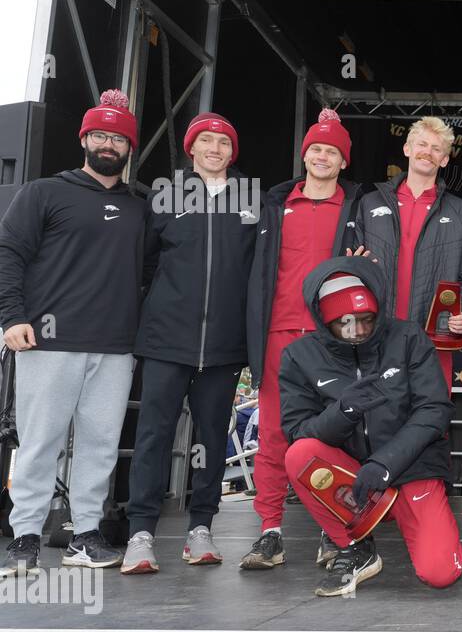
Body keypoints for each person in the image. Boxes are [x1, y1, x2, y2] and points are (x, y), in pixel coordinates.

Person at [0, 90, 147, 576]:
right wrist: (11, 317)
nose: (109, 144)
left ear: (130, 147)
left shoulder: (140, 205)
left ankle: (85, 533)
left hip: (115, 346)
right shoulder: (44, 192)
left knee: (100, 443)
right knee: (40, 441)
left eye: (118, 138)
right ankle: (25, 536)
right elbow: (8, 254)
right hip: (47, 340)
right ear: (84, 138)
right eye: (100, 135)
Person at [122, 112, 257, 573]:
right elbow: (142, 265)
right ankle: (141, 532)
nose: (215, 149)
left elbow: (261, 268)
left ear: (232, 151)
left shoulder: (251, 198)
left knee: (213, 439)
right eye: (206, 141)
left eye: (223, 141)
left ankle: (201, 528)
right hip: (165, 340)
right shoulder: (165, 194)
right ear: (192, 148)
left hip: (223, 345)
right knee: (153, 435)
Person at [280, 259, 462, 596]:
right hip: (355, 481)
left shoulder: (408, 337)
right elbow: (297, 429)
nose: (358, 330)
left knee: (441, 573)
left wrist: (385, 463)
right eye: (344, 322)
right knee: (299, 454)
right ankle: (353, 548)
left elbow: (434, 409)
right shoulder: (299, 356)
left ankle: (410, 520)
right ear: (323, 320)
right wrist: (343, 411)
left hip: (410, 468)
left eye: (366, 319)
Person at [241, 108, 368, 570]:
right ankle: (269, 533)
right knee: (274, 434)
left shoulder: (357, 210)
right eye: (315, 148)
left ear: (343, 161)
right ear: (305, 154)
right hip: (279, 335)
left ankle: (334, 533)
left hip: (332, 339)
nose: (322, 156)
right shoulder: (274, 206)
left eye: (331, 151)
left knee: (335, 435)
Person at [357, 116, 462, 393]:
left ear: (444, 160)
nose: (427, 152)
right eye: (421, 144)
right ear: (407, 149)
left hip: (433, 337)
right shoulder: (369, 202)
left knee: (430, 419)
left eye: (436, 148)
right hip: (378, 333)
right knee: (376, 418)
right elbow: (354, 267)